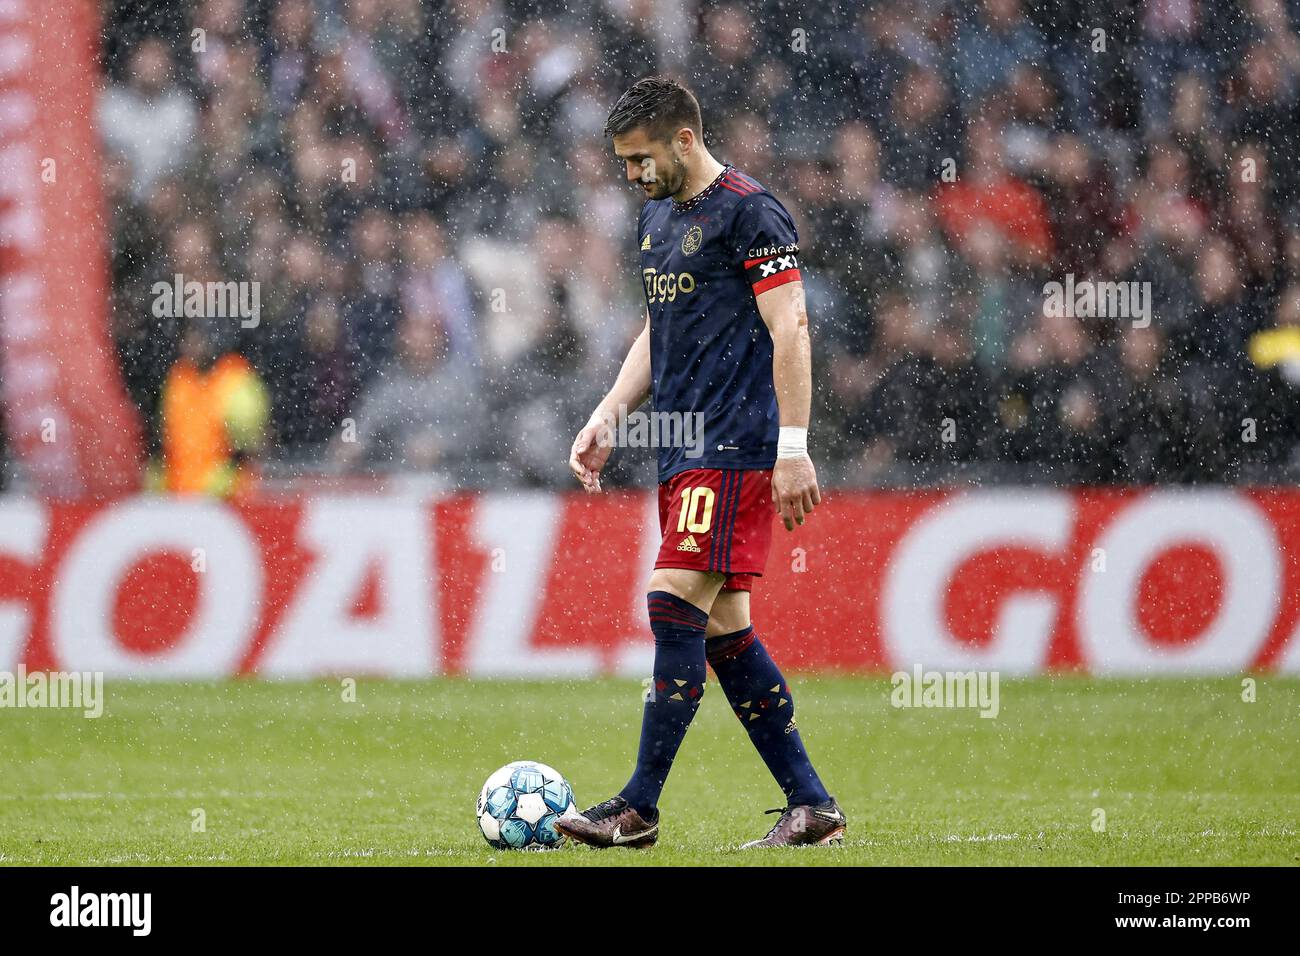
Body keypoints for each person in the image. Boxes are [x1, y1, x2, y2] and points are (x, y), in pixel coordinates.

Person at [561, 78, 843, 850]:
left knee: (671, 602)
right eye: (622, 163)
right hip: (680, 450)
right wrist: (608, 413)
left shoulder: (752, 211)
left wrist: (793, 447)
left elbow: (792, 329)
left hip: (737, 447)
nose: (632, 177)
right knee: (725, 633)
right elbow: (661, 330)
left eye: (641, 159)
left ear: (684, 138)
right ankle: (811, 806)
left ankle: (637, 808)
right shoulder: (656, 219)